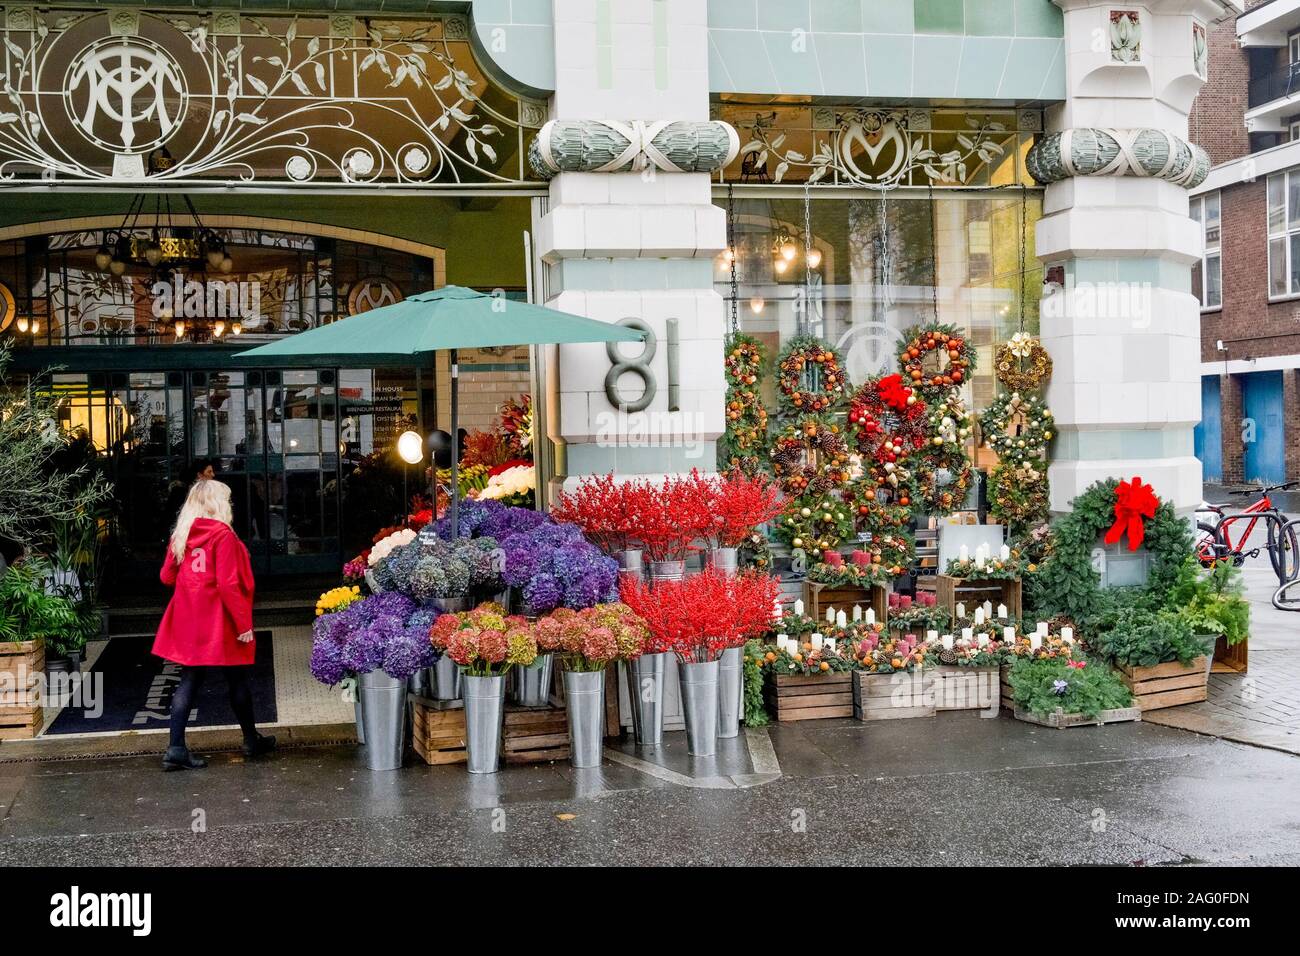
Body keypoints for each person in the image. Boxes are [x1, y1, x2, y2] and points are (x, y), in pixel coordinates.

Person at [153, 479, 275, 771]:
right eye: (227, 500)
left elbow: (166, 578)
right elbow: (228, 583)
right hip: (219, 619)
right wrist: (244, 624)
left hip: (188, 618)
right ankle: (250, 739)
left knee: (189, 680)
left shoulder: (181, 535)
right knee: (236, 678)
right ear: (216, 504)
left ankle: (176, 748)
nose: (230, 505)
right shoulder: (223, 536)